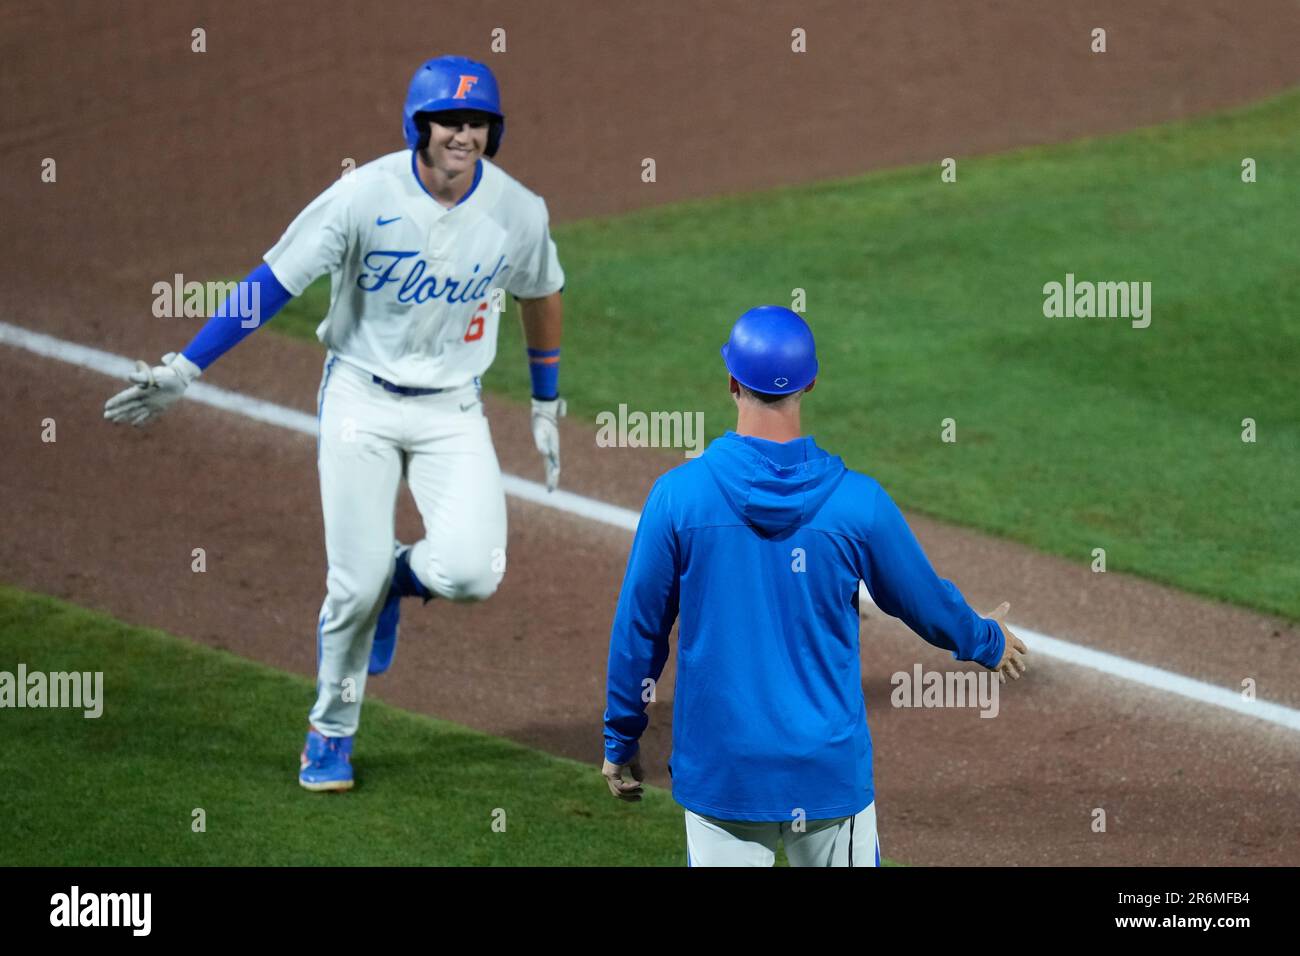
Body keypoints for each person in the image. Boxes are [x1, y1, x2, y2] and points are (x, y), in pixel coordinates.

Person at [104, 55, 568, 793]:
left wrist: (545, 400)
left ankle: (397, 582)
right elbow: (273, 283)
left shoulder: (518, 211)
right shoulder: (362, 196)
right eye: (449, 121)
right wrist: (187, 366)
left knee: (473, 573)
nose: (463, 135)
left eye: (476, 123)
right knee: (351, 587)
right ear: (421, 126)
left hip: (453, 407)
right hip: (362, 398)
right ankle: (331, 730)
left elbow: (543, 293)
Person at [601, 305, 1028, 866]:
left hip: (725, 774)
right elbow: (923, 600)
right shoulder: (858, 502)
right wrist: (986, 639)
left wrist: (621, 738)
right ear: (811, 382)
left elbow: (640, 629)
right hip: (825, 773)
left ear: (732, 381)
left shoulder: (678, 498)